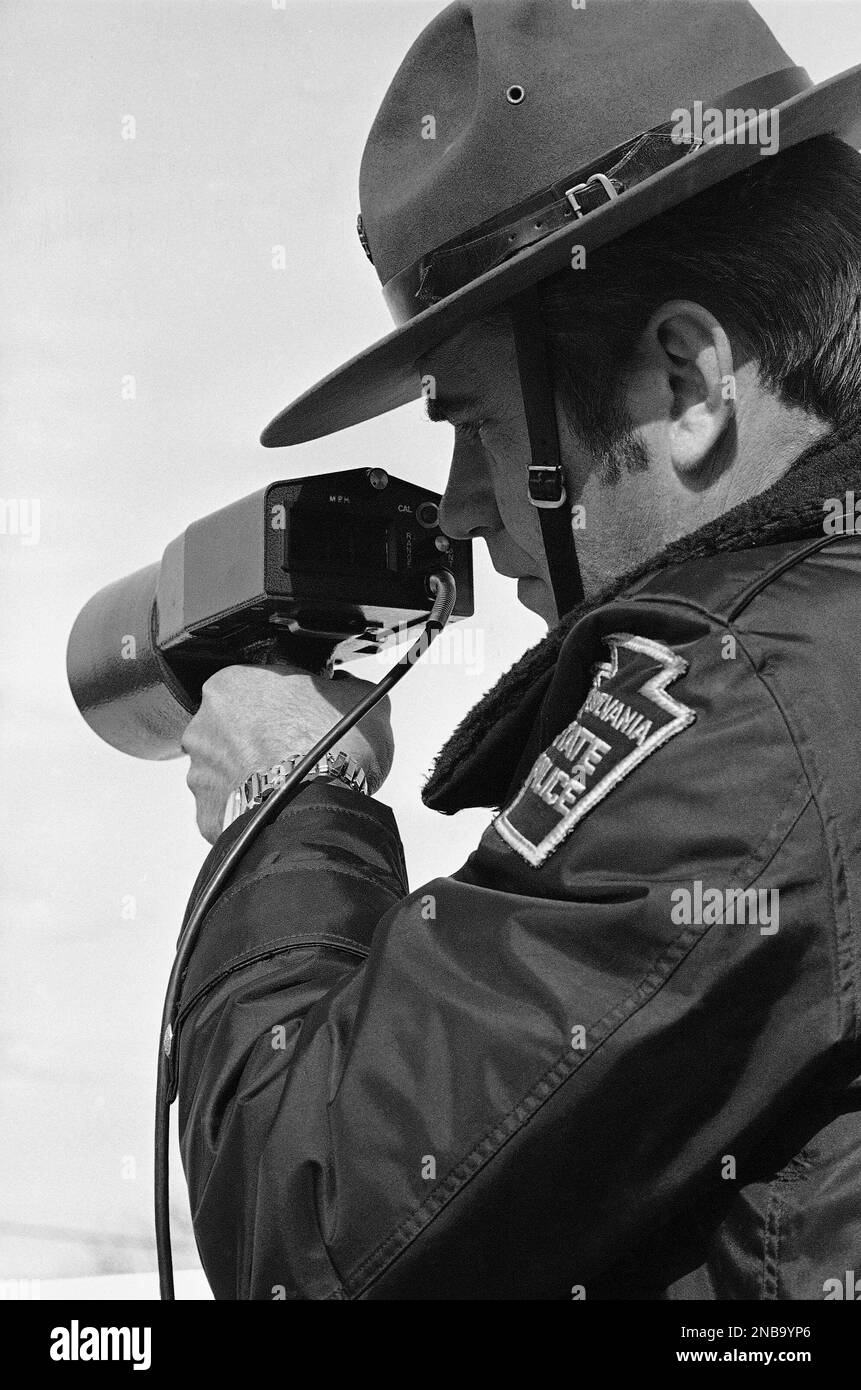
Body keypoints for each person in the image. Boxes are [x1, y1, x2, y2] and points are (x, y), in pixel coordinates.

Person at [178, 0, 861, 1299]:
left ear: (688, 385)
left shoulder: (753, 709)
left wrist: (291, 804)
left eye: (478, 422)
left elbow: (313, 1224)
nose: (454, 505)